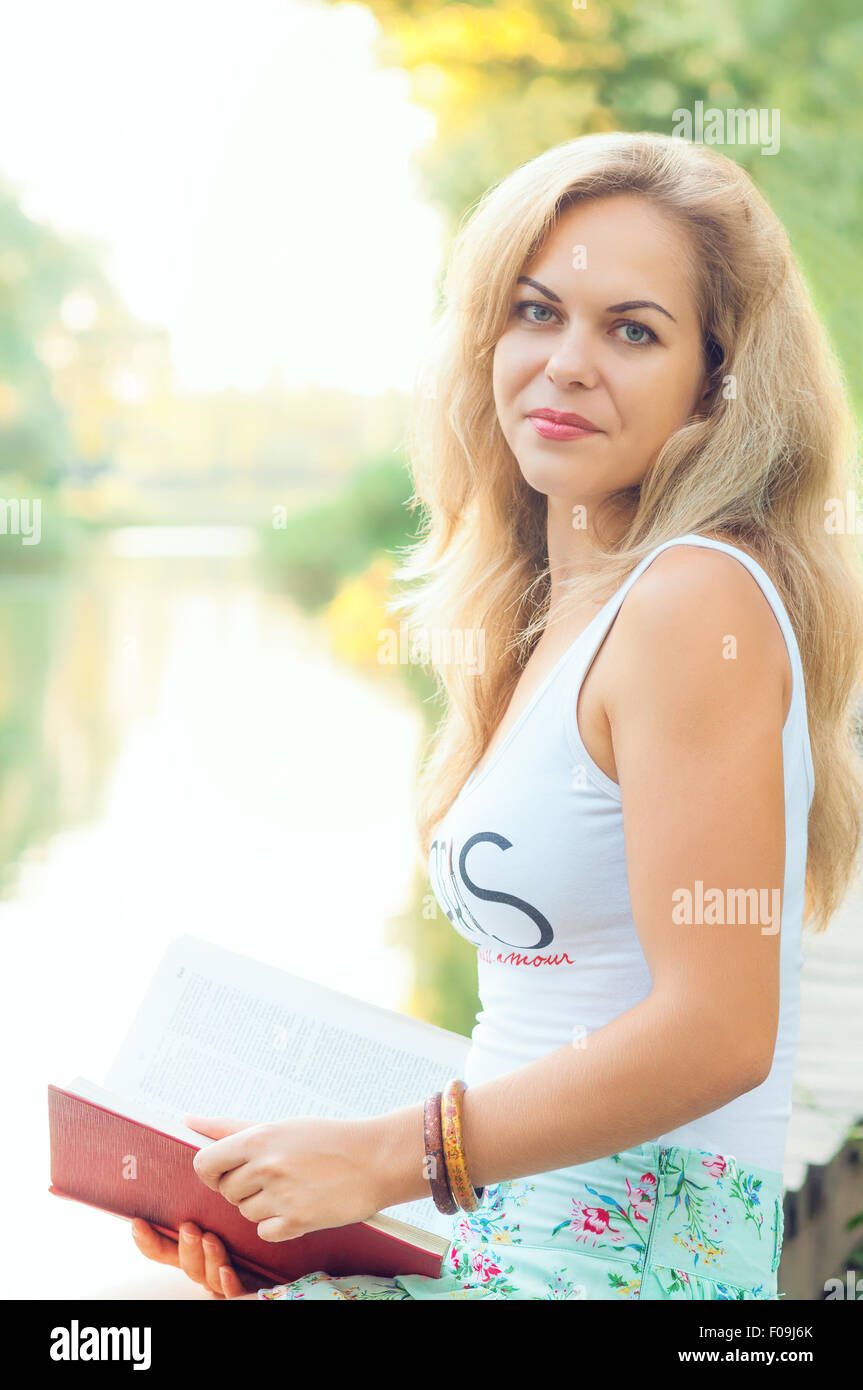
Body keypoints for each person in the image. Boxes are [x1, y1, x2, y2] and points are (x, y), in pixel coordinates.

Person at [133, 129, 863, 1300]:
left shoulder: (693, 599)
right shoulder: (550, 609)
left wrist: (381, 1157)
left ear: (713, 379)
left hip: (624, 1269)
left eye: (632, 329)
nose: (567, 362)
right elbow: (544, 1025)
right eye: (534, 312)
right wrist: (312, 1209)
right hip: (500, 1240)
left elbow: (721, 1029)